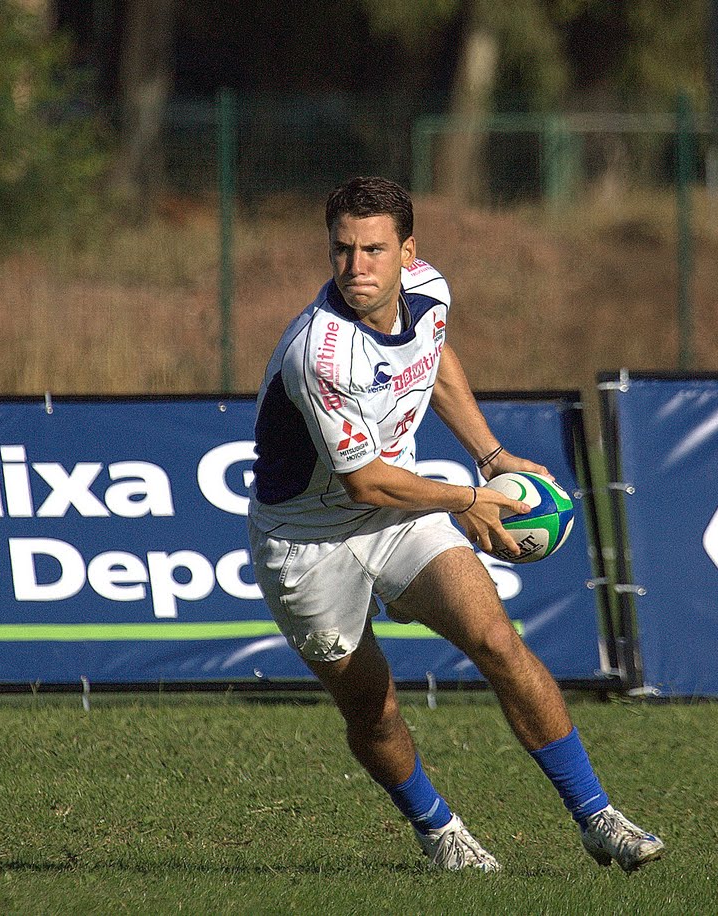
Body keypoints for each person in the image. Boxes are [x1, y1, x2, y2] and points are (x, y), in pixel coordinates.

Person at [246, 176, 663, 873]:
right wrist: (468, 499)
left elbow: (433, 363)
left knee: (497, 639)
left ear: (407, 253)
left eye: (374, 250)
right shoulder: (320, 352)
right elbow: (364, 480)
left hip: (398, 516)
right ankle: (439, 830)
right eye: (342, 250)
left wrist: (491, 455)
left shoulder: (430, 292)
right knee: (373, 709)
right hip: (307, 543)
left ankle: (598, 817)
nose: (356, 267)